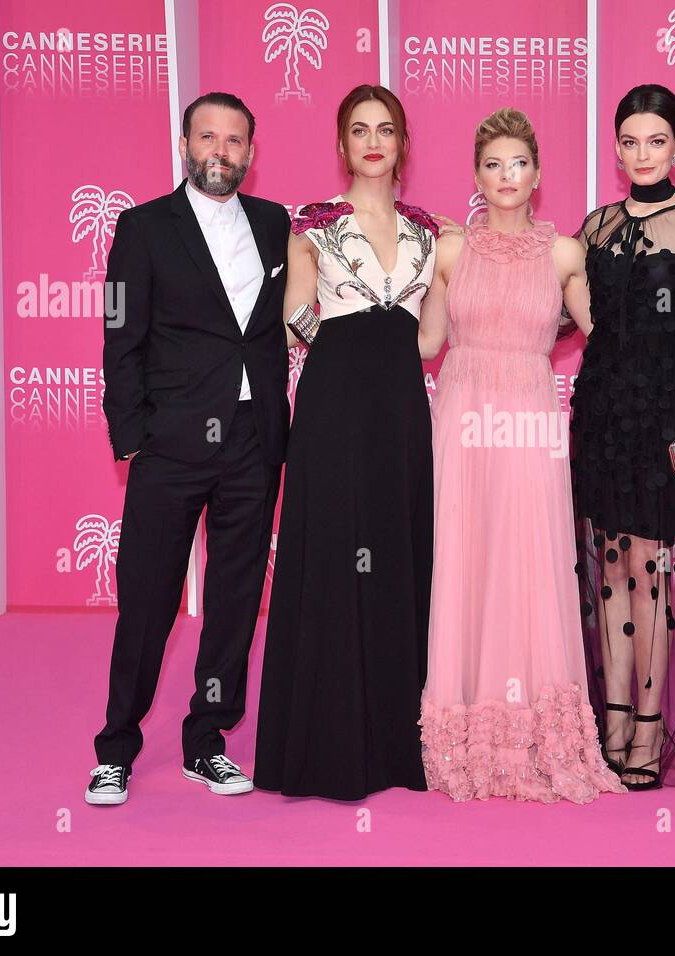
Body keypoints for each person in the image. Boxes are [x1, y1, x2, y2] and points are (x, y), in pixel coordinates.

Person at [416, 108, 626, 803]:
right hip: (463, 416)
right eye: (493, 165)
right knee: (465, 559)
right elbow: (423, 344)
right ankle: (463, 727)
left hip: (531, 422)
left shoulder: (564, 252)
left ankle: (541, 733)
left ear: (537, 173)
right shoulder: (450, 249)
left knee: (529, 562)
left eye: (519, 164)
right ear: (477, 176)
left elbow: (605, 332)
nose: (507, 177)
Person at [88, 92, 290, 805]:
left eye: (234, 141)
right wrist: (132, 440)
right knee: (147, 599)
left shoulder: (273, 224)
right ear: (185, 143)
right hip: (170, 444)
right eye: (208, 136)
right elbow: (120, 336)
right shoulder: (141, 228)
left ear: (250, 155)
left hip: (253, 439)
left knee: (235, 600)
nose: (220, 151)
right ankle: (115, 746)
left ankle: (206, 741)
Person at [253, 85, 438, 801]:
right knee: (333, 553)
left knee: (395, 553)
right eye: (358, 129)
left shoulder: (431, 232)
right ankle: (325, 749)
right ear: (341, 144)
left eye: (385, 129)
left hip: (400, 406)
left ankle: (396, 745)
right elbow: (297, 315)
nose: (372, 141)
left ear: (401, 144)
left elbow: (431, 336)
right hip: (333, 403)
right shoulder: (312, 226)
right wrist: (346, 340)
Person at [570, 84, 675, 791]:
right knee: (607, 573)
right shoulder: (594, 226)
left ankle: (645, 740)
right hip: (602, 416)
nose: (643, 153)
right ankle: (610, 728)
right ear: (617, 150)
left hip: (664, 419)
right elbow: (563, 315)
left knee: (649, 577)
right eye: (630, 141)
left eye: (656, 140)